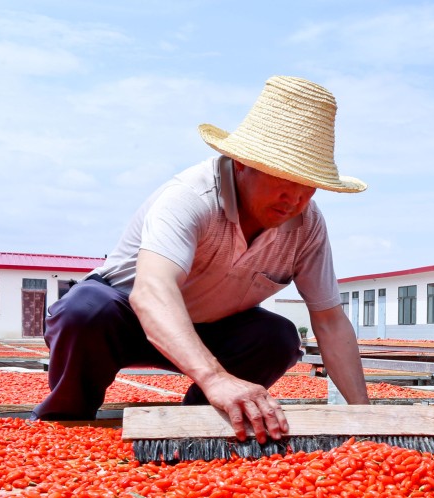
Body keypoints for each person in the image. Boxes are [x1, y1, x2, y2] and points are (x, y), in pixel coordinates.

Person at [32, 75, 370, 442]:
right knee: (85, 309)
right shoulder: (192, 197)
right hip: (122, 321)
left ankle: (201, 427)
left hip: (213, 330)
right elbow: (151, 292)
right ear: (242, 163)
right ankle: (66, 423)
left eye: (308, 188)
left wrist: (366, 417)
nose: (295, 199)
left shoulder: (307, 225)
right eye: (283, 181)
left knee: (278, 337)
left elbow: (330, 322)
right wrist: (215, 377)